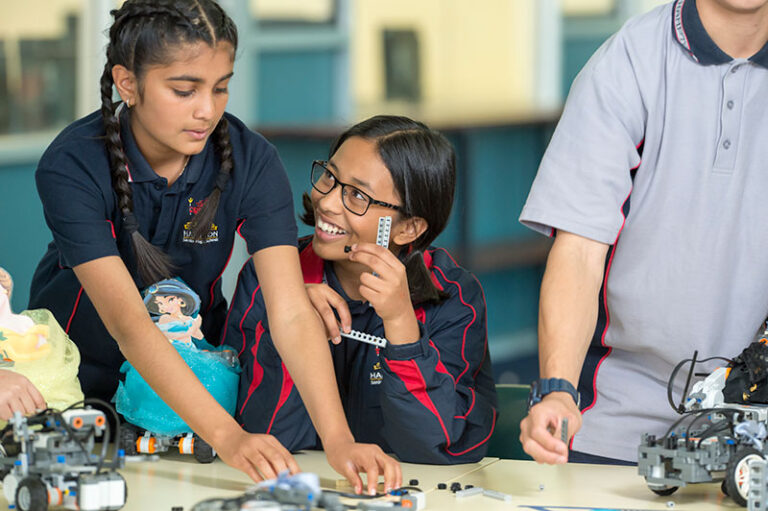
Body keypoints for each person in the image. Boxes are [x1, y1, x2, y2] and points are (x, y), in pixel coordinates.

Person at [27, 0, 399, 491]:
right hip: (78, 390)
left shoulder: (252, 161)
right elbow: (130, 324)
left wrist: (338, 440)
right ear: (128, 83)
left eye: (220, 87)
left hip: (195, 388)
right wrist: (228, 435)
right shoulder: (71, 165)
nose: (208, 109)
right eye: (185, 90)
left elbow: (288, 312)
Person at [518, 0, 768, 465]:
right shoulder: (629, 61)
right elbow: (580, 249)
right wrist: (556, 391)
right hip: (615, 421)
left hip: (755, 424)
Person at [222, 115, 498, 465]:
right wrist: (289, 314)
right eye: (329, 176)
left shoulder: (453, 297)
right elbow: (265, 433)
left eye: (356, 195)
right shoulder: (273, 274)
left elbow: (437, 446)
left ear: (408, 228)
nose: (327, 202)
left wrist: (401, 327)